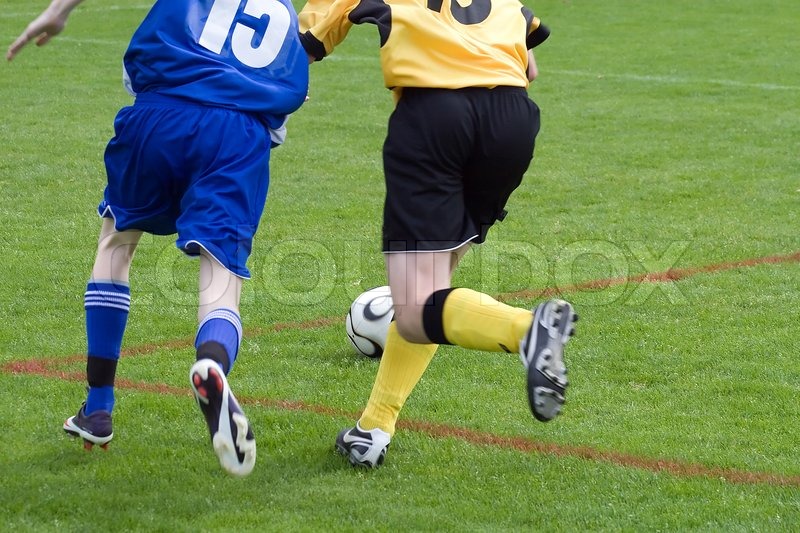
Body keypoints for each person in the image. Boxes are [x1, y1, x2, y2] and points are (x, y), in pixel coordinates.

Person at [7, 0, 309, 476]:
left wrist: (59, 10)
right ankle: (212, 365)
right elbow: (290, 90)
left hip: (160, 111)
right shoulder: (283, 8)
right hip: (238, 132)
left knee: (116, 243)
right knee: (222, 276)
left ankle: (99, 405)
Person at [298, 0, 578, 467]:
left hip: (435, 117)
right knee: (430, 297)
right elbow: (530, 65)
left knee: (413, 313)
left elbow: (305, 42)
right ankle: (373, 427)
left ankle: (529, 329)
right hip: (511, 120)